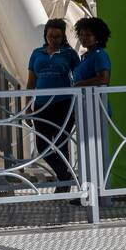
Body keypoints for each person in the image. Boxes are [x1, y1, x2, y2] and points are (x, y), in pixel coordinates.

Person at [25, 18, 80, 187]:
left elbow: (78, 77)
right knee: (42, 146)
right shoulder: (37, 53)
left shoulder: (69, 54)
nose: (53, 39)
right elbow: (31, 81)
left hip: (63, 104)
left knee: (61, 143)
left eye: (57, 36)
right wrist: (28, 107)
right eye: (50, 36)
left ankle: (64, 184)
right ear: (45, 35)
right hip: (41, 105)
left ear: (63, 36)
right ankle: (65, 177)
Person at [72, 17, 112, 88]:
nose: (83, 38)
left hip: (96, 99)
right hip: (84, 98)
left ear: (97, 37)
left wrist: (79, 84)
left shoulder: (99, 55)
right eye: (81, 34)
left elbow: (103, 79)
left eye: (88, 35)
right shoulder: (85, 56)